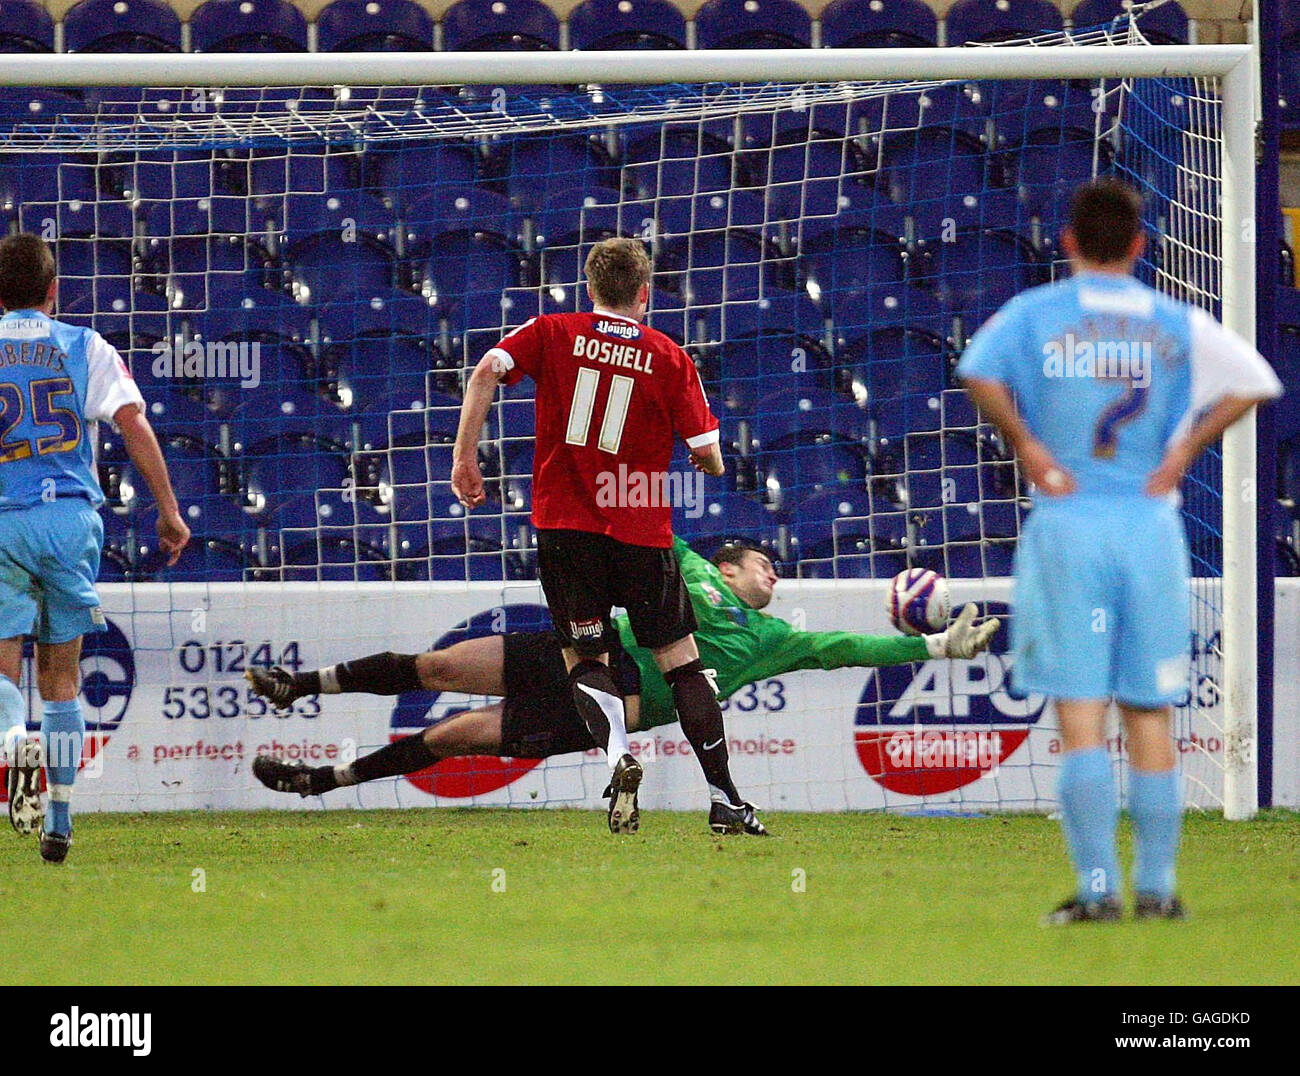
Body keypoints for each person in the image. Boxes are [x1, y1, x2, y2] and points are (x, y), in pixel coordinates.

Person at [957, 179, 1283, 923]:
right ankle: (1160, 891)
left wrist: (1030, 444)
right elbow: (1258, 381)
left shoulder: (1035, 314)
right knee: (1149, 711)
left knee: (1080, 712)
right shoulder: (1173, 320)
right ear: (1141, 246)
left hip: (1068, 524)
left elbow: (976, 369)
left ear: (1067, 242)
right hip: (1148, 529)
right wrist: (1184, 451)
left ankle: (1099, 891)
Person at [249, 537, 1001, 829]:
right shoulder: (693, 566)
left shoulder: (776, 641)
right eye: (763, 564)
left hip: (601, 712)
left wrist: (932, 644)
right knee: (438, 667)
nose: (775, 573)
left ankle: (321, 781)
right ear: (730, 568)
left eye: (778, 569)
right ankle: (298, 685)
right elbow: (636, 528)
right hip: (575, 650)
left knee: (449, 736)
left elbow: (847, 648)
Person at [446, 236, 749, 835]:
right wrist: (703, 464)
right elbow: (710, 454)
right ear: (643, 294)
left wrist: (464, 459)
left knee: (586, 656)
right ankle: (725, 801)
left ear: (589, 289)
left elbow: (486, 369)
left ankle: (616, 759)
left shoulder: (553, 331)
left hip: (566, 528)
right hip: (639, 530)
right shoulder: (668, 355)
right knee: (682, 665)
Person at [0, 233, 190, 863]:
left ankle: (9, 740)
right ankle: (59, 819)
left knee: (3, 669)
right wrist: (168, 512)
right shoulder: (86, 346)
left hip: (2, 521)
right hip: (70, 521)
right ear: (53, 292)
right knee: (60, 676)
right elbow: (134, 425)